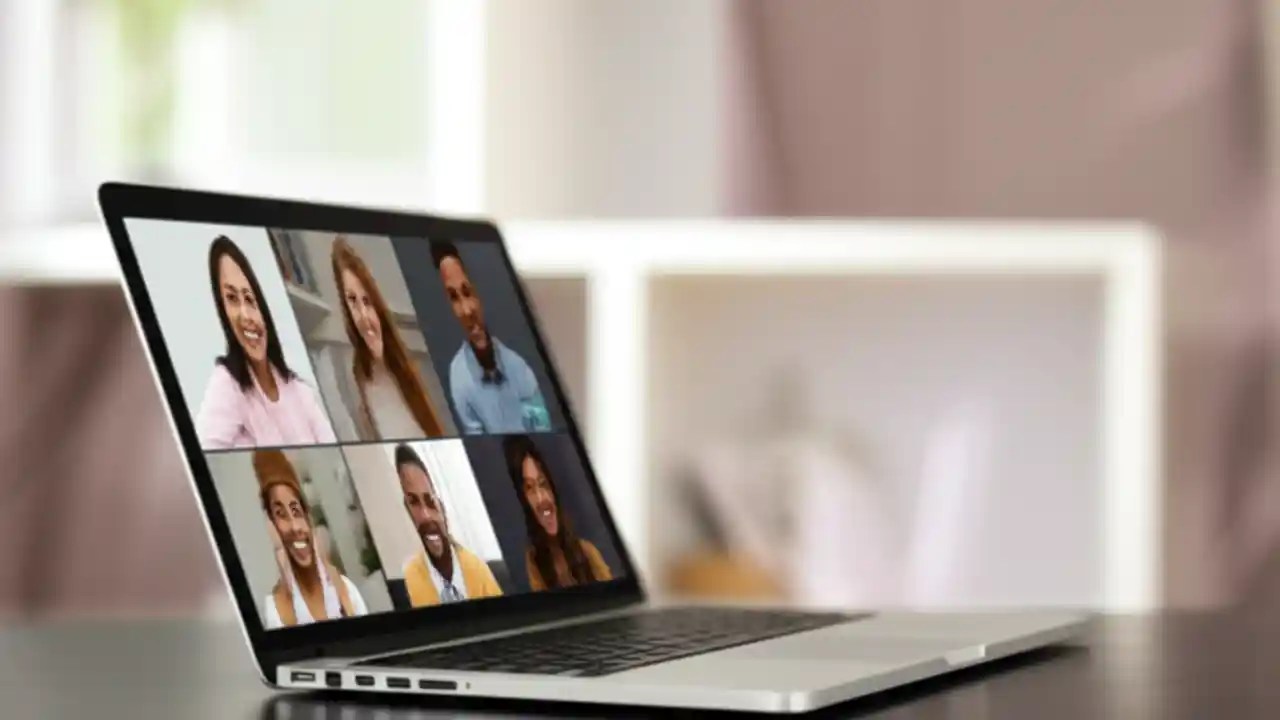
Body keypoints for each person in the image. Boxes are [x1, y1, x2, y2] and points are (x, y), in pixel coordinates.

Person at [197, 236, 337, 449]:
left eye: (250, 299)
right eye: (232, 299)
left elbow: (332, 451)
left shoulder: (299, 390)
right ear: (222, 312)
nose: (246, 315)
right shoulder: (227, 383)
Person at [429, 241, 551, 434]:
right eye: (454, 298)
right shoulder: (459, 377)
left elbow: (543, 428)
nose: (466, 310)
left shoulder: (518, 366)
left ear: (478, 293)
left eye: (467, 292)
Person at [331, 238, 447, 440]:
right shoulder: (357, 381)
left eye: (367, 301)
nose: (364, 316)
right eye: (352, 300)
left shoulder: (416, 364)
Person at [255, 449, 368, 628]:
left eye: (296, 511)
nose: (295, 527)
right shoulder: (274, 611)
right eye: (280, 514)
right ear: (272, 525)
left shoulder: (345, 589)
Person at [395, 443, 502, 605]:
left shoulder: (478, 569)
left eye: (430, 501)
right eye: (414, 502)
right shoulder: (409, 578)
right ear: (407, 509)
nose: (425, 516)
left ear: (442, 508)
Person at [503, 435, 611, 589]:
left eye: (543, 483)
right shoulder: (533, 560)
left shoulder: (588, 551)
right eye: (530, 488)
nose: (541, 499)